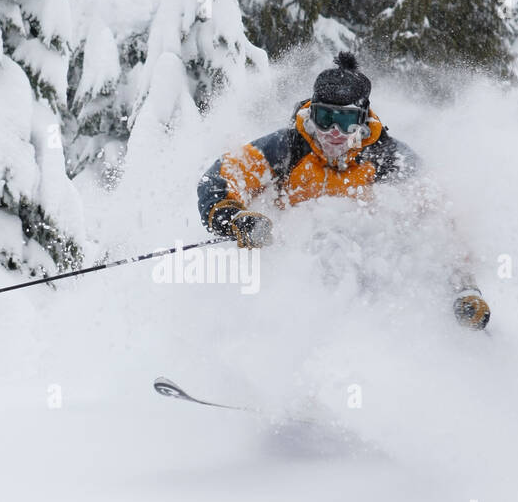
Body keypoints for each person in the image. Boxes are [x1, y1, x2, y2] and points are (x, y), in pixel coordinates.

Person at [197, 52, 491, 328]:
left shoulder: (387, 159)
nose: (334, 133)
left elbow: (441, 219)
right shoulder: (287, 148)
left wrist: (464, 285)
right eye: (325, 118)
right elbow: (223, 176)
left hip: (369, 273)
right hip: (295, 268)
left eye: (345, 120)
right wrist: (234, 218)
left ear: (362, 119)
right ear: (311, 115)